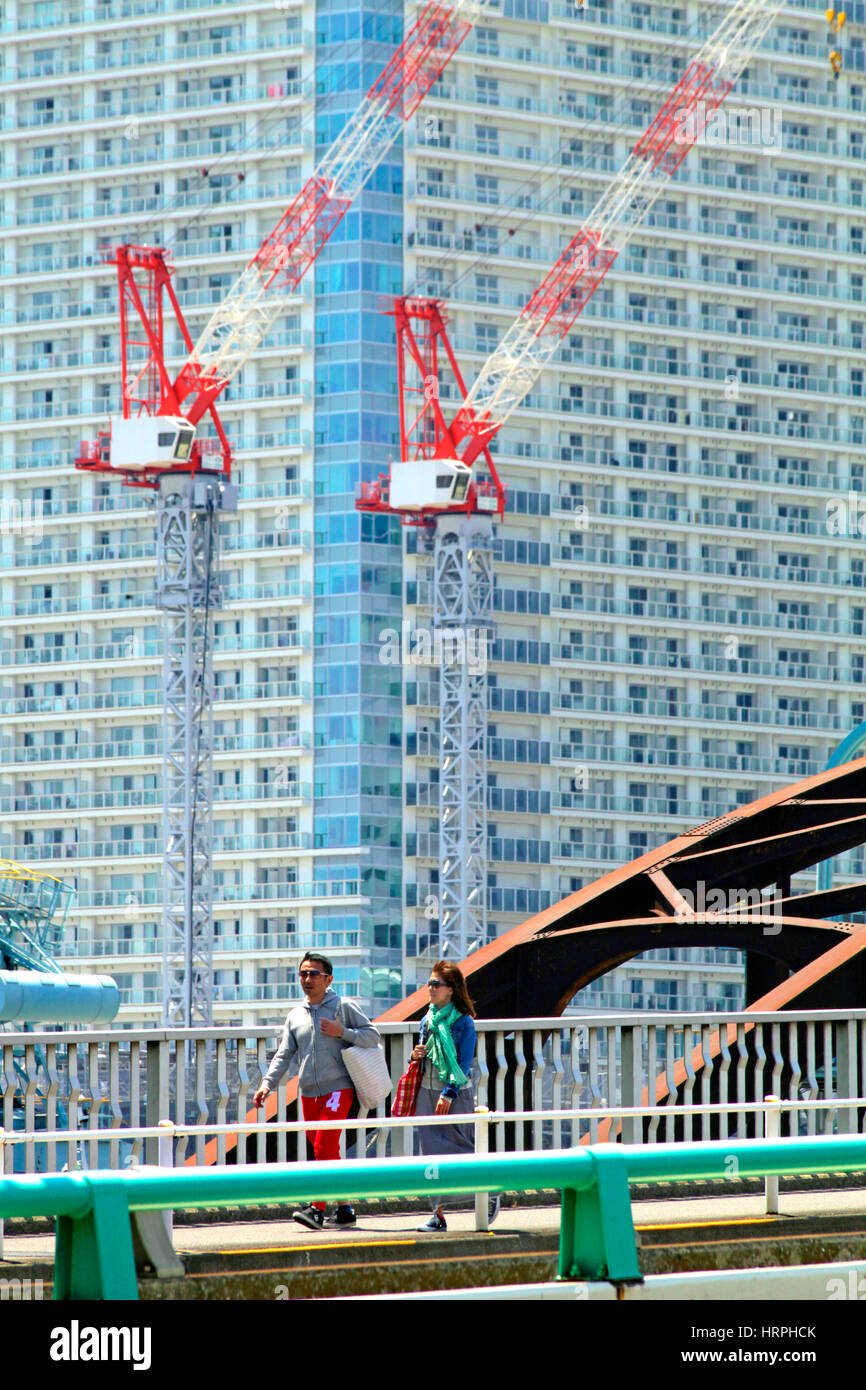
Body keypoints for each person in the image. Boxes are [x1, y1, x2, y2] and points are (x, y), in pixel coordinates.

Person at [253, 952, 380, 1230]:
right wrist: (266, 1085)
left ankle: (317, 1209)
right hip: (308, 1092)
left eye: (314, 974)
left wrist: (342, 1031)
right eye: (303, 974)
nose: (307, 979)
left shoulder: (343, 1007)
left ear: (329, 979)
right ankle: (345, 1207)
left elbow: (373, 1036)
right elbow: (284, 1054)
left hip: (339, 1087)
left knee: (323, 1144)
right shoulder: (296, 1015)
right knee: (327, 1149)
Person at [411, 960, 499, 1232]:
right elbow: (424, 1056)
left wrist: (449, 1092)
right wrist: (415, 1055)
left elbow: (463, 1063)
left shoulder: (463, 1022)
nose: (431, 988)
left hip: (454, 1093)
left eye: (436, 984)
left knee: (460, 1147)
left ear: (451, 990)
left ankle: (488, 1190)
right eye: (429, 983)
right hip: (426, 1091)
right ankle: (437, 1215)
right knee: (431, 1153)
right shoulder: (427, 1019)